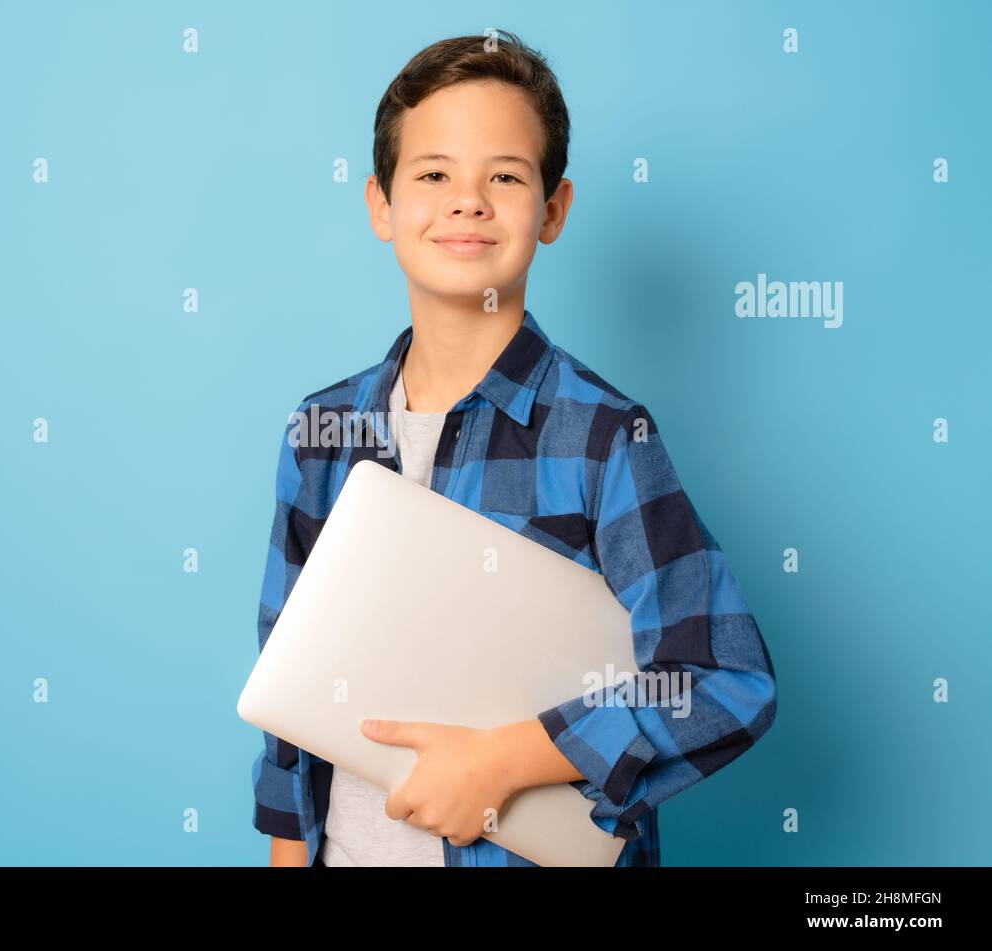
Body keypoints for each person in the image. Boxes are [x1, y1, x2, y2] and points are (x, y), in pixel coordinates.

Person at [251, 30, 777, 868]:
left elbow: (723, 680)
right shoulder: (322, 432)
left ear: (554, 208)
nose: (468, 201)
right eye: (433, 174)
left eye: (504, 175)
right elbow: (288, 707)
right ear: (380, 206)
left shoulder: (606, 437)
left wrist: (506, 760)